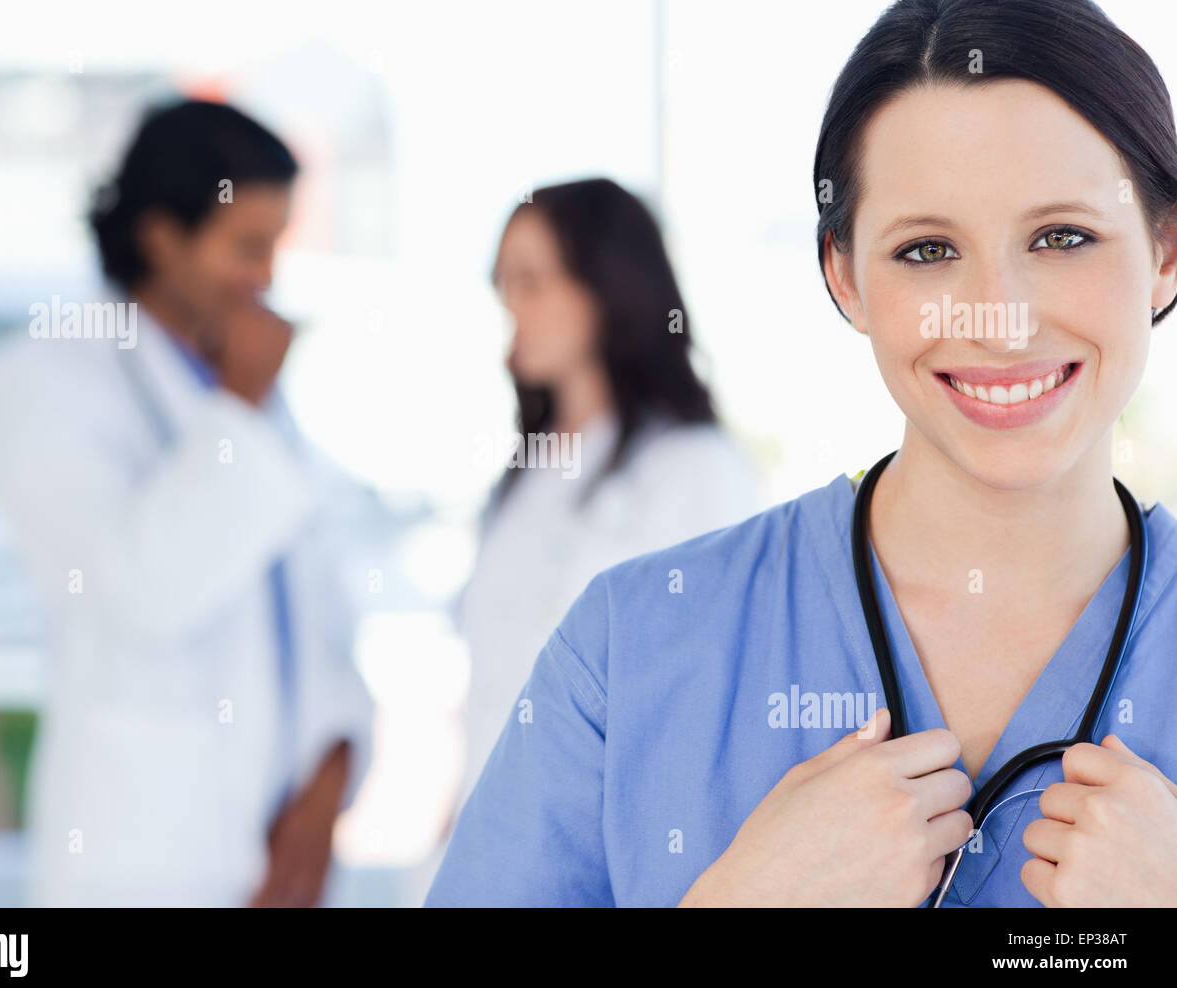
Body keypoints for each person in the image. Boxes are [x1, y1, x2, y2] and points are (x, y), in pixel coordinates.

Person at [426, 0, 1177, 908]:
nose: (997, 316)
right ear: (845, 275)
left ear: (1165, 252)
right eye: (928, 249)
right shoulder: (630, 648)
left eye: (1063, 237)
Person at [0, 99, 373, 906]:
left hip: (279, 861)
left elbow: (321, 613)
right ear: (162, 237)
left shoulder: (256, 400)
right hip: (137, 861)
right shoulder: (51, 380)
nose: (266, 279)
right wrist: (238, 403)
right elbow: (140, 589)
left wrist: (332, 767)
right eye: (246, 248)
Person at [452, 178, 761, 819]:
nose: (512, 304)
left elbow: (717, 706)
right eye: (503, 283)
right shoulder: (524, 473)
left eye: (533, 280)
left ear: (607, 286)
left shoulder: (694, 468)